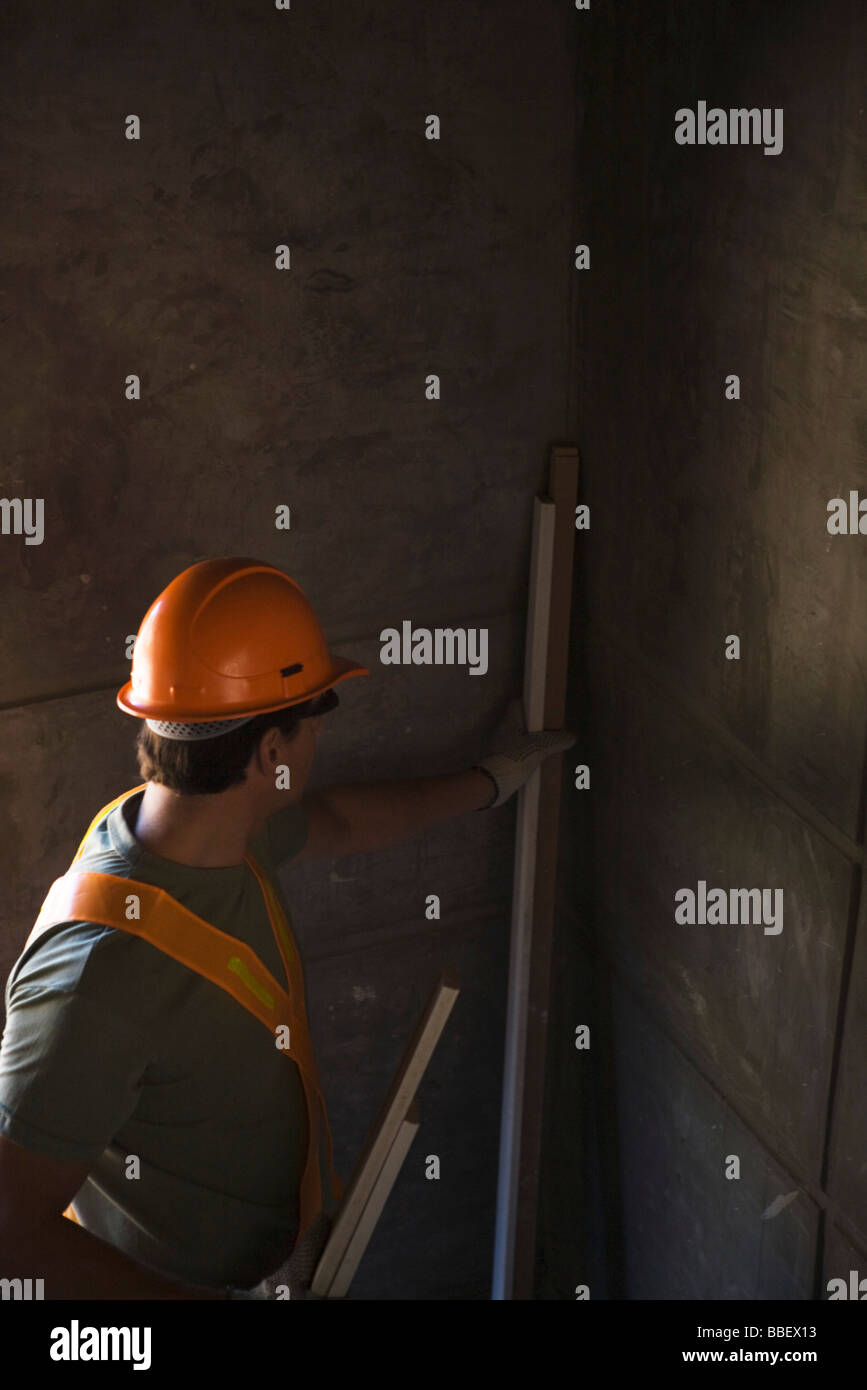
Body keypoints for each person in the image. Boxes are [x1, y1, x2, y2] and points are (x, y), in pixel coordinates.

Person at [0, 557, 573, 1300]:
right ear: (271, 752)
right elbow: (12, 1231)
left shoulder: (203, 828)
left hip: (271, 1262)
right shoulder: (95, 977)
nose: (314, 747)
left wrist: (487, 783)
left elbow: (335, 819)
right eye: (310, 723)